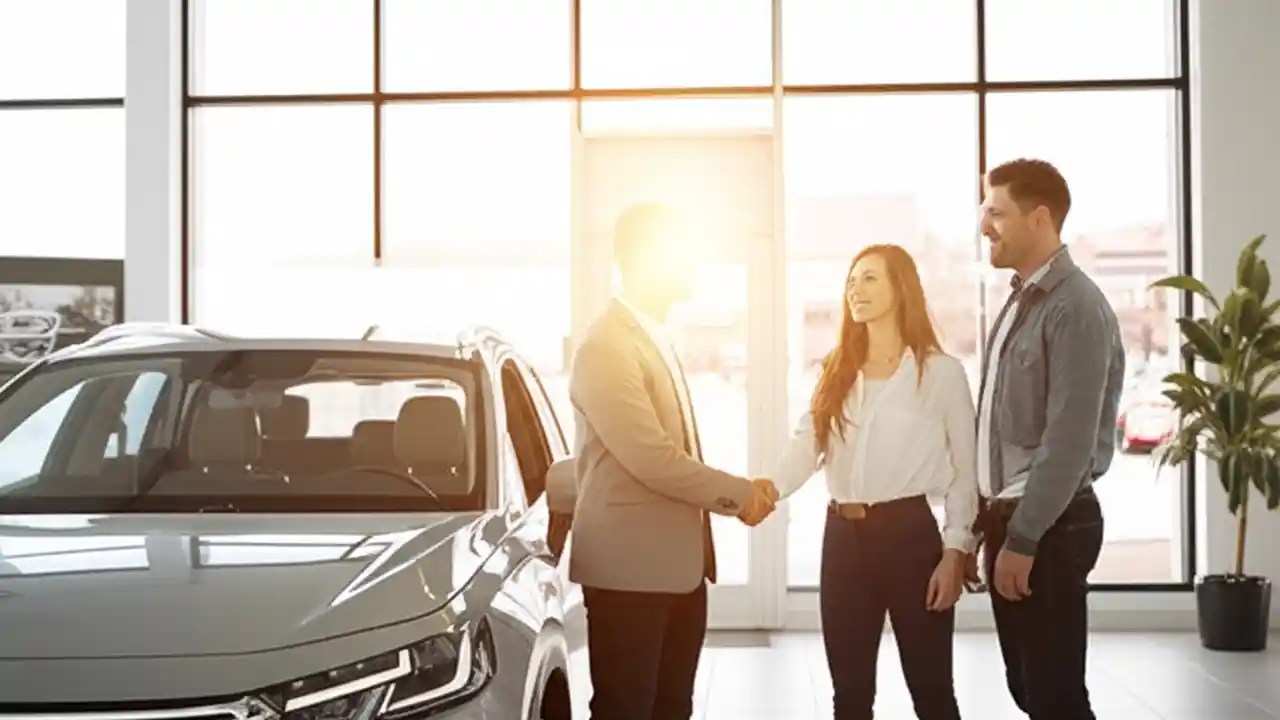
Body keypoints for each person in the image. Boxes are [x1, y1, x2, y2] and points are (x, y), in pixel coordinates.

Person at [568, 202, 779, 720]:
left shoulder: (651, 337)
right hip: (629, 576)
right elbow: (653, 458)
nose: (694, 266)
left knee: (670, 709)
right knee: (626, 709)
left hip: (676, 572)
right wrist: (741, 494)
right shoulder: (606, 344)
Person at [771, 243, 978, 720]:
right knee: (850, 694)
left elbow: (966, 473)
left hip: (910, 538)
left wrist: (955, 552)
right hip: (842, 541)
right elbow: (806, 446)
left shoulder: (941, 374)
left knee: (931, 690)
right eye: (851, 280)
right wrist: (763, 491)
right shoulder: (836, 370)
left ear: (899, 288)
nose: (855, 290)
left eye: (869, 279)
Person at [975, 158, 1124, 720]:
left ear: (1039, 219)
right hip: (1011, 518)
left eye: (996, 211)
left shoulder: (1075, 307)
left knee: (1055, 698)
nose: (984, 224)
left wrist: (1025, 537)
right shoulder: (1022, 299)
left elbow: (1068, 442)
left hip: (1049, 526)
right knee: (1029, 690)